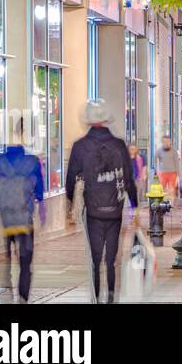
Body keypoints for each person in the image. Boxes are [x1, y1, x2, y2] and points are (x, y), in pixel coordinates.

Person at [66, 99, 138, 303]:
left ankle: (97, 297)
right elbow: (129, 178)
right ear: (106, 118)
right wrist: (135, 206)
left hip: (94, 210)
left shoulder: (80, 147)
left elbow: (71, 179)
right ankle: (112, 297)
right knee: (112, 258)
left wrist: (70, 205)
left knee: (95, 259)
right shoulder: (118, 145)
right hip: (115, 209)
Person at [0, 120, 45, 303]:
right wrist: (36, 206)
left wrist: (4, 206)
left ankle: (6, 297)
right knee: (25, 262)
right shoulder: (32, 161)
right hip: (24, 220)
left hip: (6, 221)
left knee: (6, 263)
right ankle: (22, 298)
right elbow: (39, 191)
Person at [154, 135, 180, 203]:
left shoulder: (174, 151)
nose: (166, 143)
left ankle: (171, 204)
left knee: (172, 189)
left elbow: (177, 162)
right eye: (164, 141)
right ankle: (164, 203)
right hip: (162, 173)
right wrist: (156, 170)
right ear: (162, 142)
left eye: (168, 141)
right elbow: (154, 160)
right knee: (163, 189)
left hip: (173, 172)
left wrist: (179, 174)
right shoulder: (158, 150)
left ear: (170, 142)